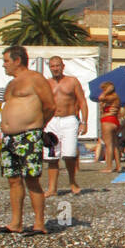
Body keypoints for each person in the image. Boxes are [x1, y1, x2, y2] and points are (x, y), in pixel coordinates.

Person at [0, 45, 56, 235]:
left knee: (32, 179)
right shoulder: (11, 84)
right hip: (8, 137)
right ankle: (15, 222)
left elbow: (50, 105)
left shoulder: (35, 79)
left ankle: (39, 223)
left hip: (28, 134)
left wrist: (37, 127)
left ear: (17, 60)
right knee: (13, 179)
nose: (4, 66)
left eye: (6, 61)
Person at [45, 55, 88, 196]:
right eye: (52, 66)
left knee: (69, 155)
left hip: (69, 119)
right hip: (52, 121)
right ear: (49, 67)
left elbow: (82, 102)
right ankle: (52, 188)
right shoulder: (46, 83)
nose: (55, 68)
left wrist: (84, 122)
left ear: (63, 66)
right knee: (52, 156)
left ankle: (72, 182)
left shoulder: (72, 81)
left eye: (57, 65)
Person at [97, 81, 122, 172]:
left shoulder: (111, 97)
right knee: (115, 145)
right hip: (114, 120)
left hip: (108, 120)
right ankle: (118, 166)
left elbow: (100, 97)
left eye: (104, 89)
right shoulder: (116, 97)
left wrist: (106, 91)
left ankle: (109, 167)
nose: (102, 91)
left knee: (108, 145)